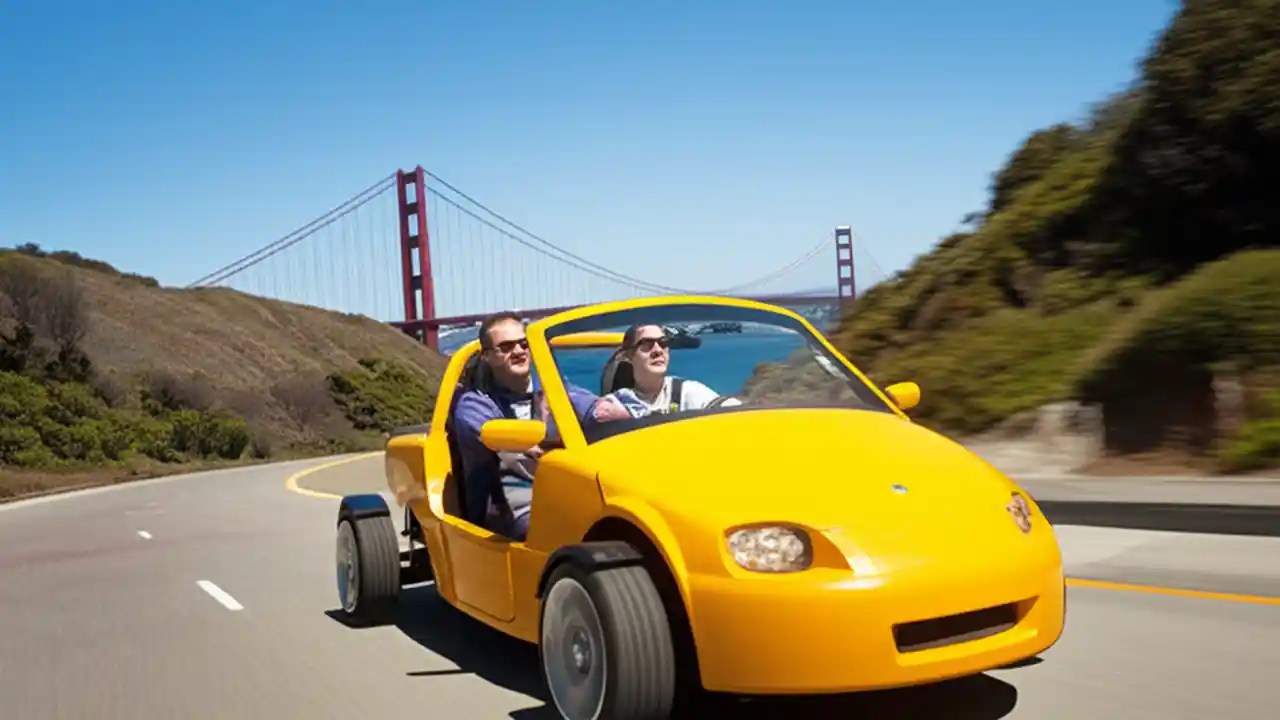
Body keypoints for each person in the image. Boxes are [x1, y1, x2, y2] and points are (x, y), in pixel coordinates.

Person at [451, 311, 600, 540]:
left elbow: (594, 409)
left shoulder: (554, 389)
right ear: (487, 356)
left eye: (524, 344)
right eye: (507, 347)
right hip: (508, 504)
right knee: (563, 531)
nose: (519, 351)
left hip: (564, 492)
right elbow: (486, 431)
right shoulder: (476, 402)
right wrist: (531, 439)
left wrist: (623, 410)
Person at [593, 324, 740, 421]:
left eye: (663, 343)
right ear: (628, 356)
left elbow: (733, 411)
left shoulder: (687, 392)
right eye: (646, 344)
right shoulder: (615, 403)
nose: (657, 350)